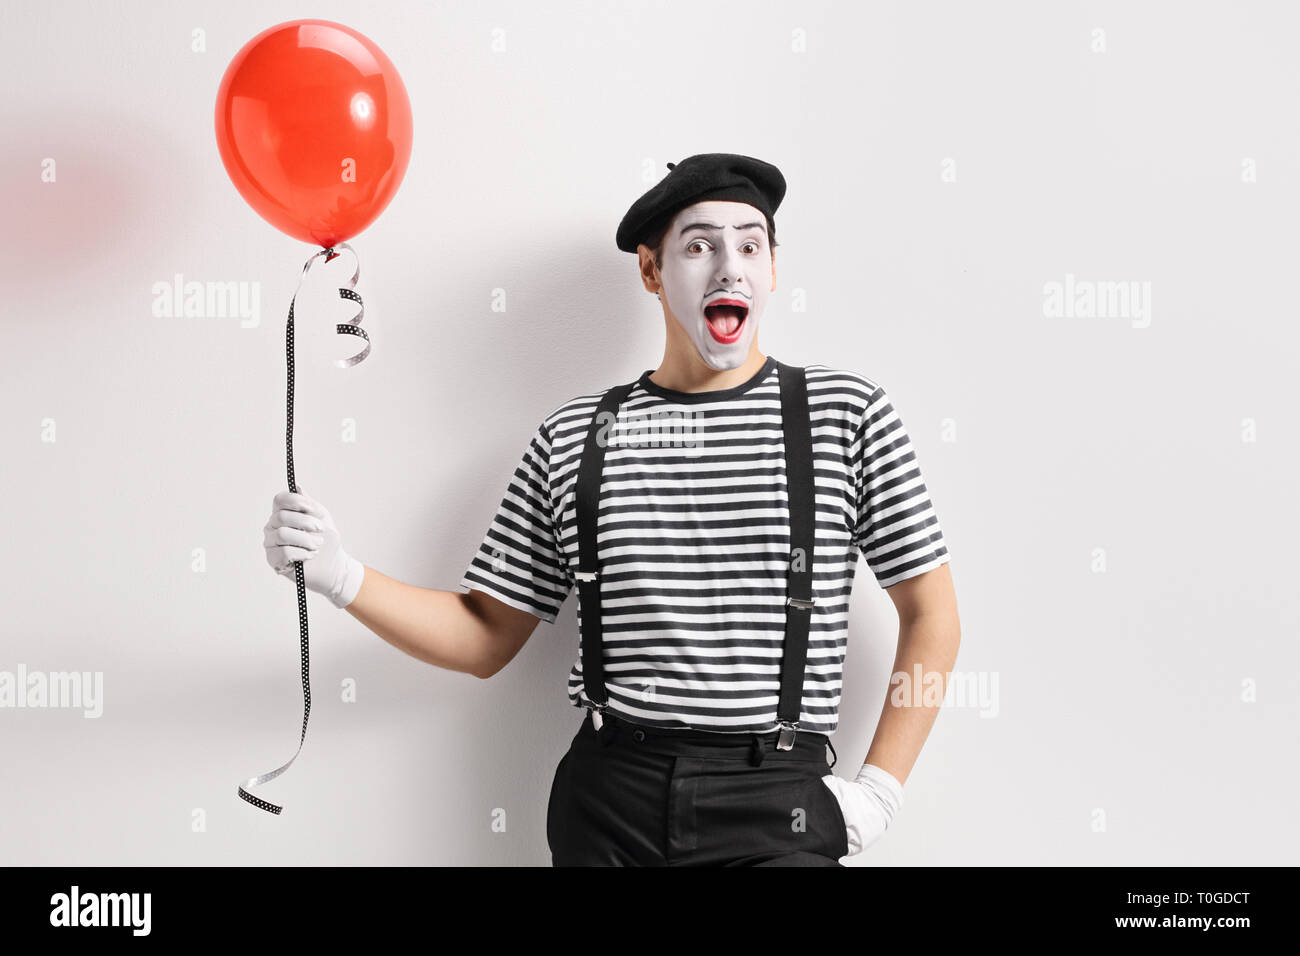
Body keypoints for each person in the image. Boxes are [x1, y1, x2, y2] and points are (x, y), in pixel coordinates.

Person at [262, 153, 961, 866]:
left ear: (773, 269)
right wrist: (341, 575)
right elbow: (484, 635)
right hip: (609, 802)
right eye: (699, 246)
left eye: (751, 245)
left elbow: (932, 612)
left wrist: (880, 791)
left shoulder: (844, 415)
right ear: (652, 272)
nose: (730, 268)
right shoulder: (574, 437)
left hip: (776, 798)